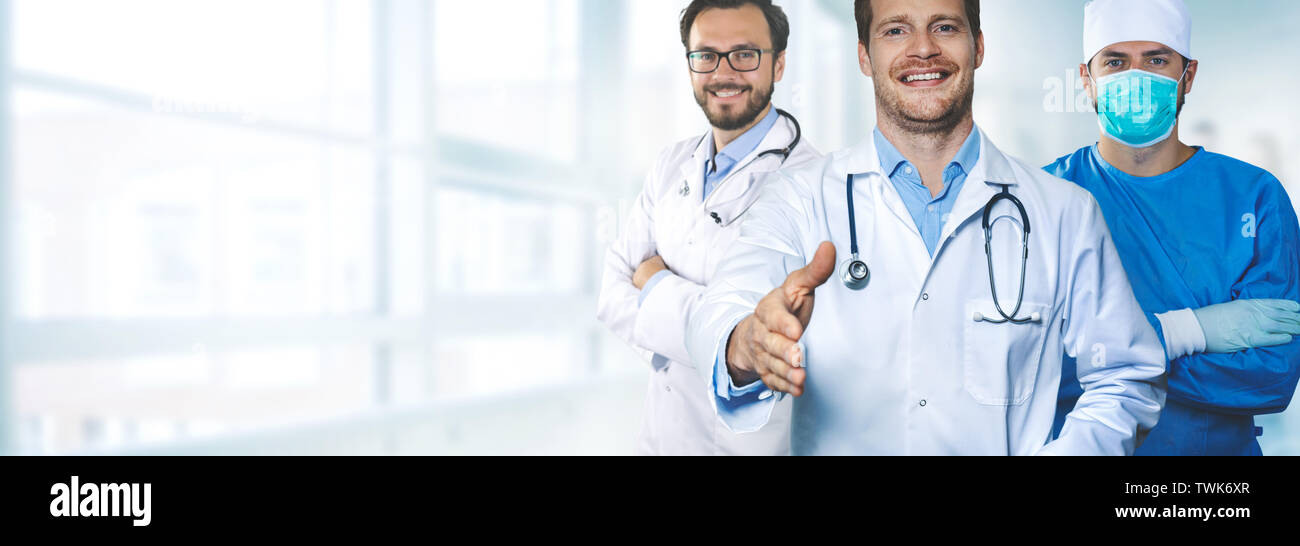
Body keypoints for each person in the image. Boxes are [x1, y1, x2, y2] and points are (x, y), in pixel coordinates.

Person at [684, 0, 1166, 455]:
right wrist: (746, 343)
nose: (922, 49)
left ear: (978, 46)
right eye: (896, 30)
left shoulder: (1064, 212)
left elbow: (1125, 376)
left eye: (945, 26)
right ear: (864, 56)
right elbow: (720, 307)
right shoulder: (798, 198)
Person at [1047, 0, 1300, 456]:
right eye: (1116, 61)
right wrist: (1185, 332)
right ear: (1087, 80)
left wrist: (1109, 358)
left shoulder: (1253, 195)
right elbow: (1025, 366)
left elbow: (1272, 377)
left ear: (1189, 76)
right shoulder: (1043, 197)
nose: (1136, 78)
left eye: (1157, 60)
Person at [596, 0, 821, 455]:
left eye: (744, 54)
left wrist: (655, 283)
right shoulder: (671, 164)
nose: (724, 72)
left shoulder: (815, 186)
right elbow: (611, 291)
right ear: (690, 65)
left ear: (778, 65)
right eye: (706, 55)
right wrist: (723, 335)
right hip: (660, 440)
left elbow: (784, 337)